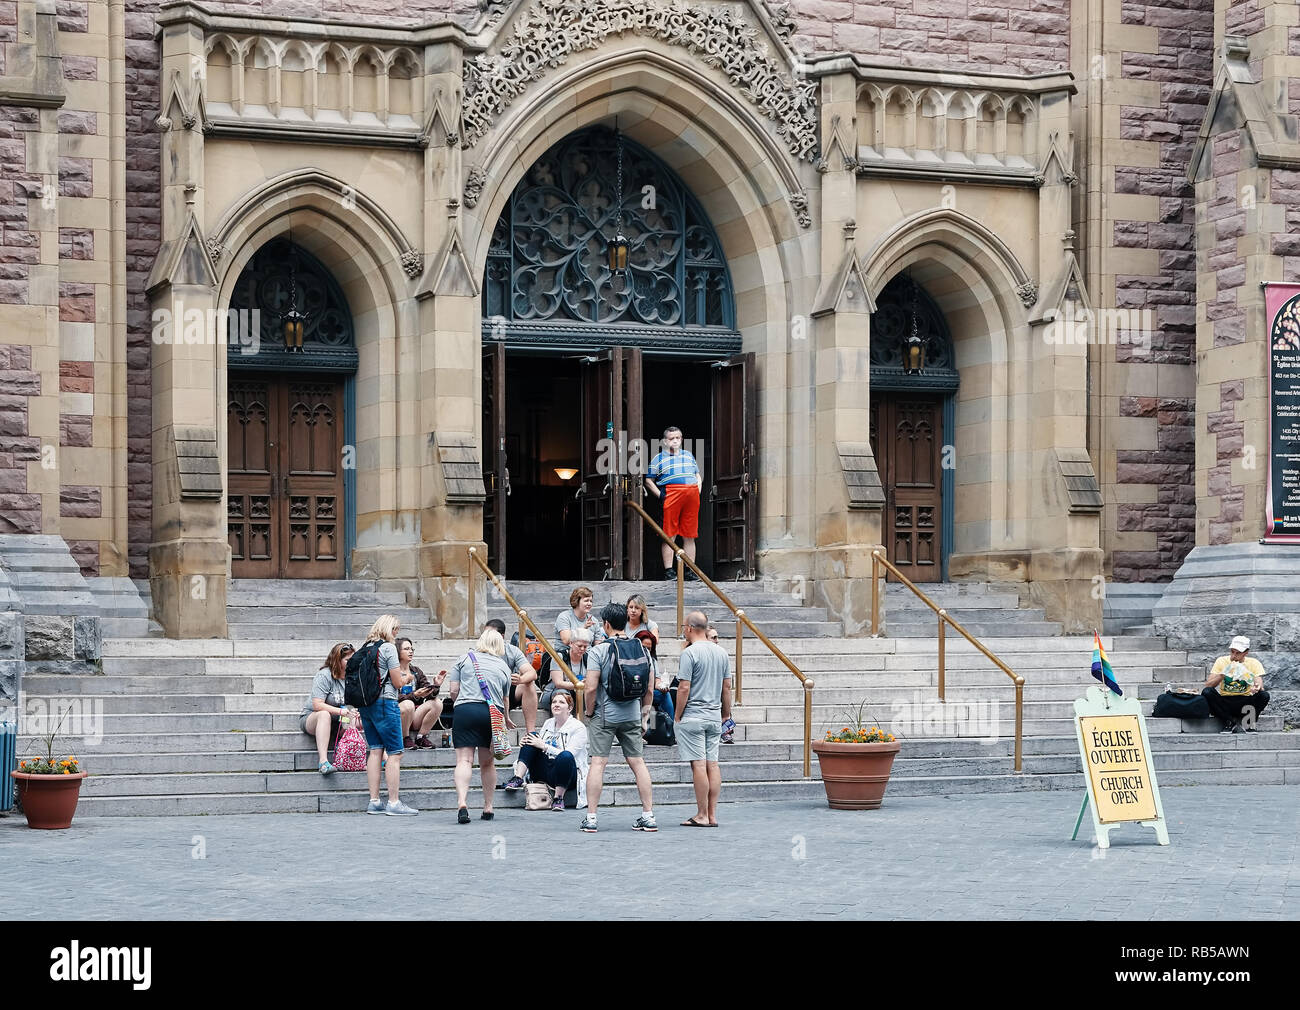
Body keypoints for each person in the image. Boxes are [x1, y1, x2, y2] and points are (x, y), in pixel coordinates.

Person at [580, 602, 657, 833]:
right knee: (638, 763)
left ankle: (591, 818)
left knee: (598, 763)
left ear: (605, 624)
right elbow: (650, 689)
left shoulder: (598, 651)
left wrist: (589, 711)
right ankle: (648, 815)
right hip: (632, 715)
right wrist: (645, 717)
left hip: (604, 715)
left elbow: (591, 687)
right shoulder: (642, 649)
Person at [447, 626, 514, 823]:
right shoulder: (504, 667)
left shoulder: (464, 659)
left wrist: (463, 700)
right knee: (487, 762)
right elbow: (505, 699)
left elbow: (453, 691)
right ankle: (488, 806)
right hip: (491, 714)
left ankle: (462, 802)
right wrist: (506, 717)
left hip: (465, 710)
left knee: (464, 760)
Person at [675, 610, 733, 827]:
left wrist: (678, 715)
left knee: (698, 766)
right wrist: (725, 713)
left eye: (683, 627)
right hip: (713, 715)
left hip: (694, 715)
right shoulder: (721, 653)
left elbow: (684, 687)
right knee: (713, 765)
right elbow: (727, 687)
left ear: (689, 628)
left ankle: (701, 814)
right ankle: (712, 814)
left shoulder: (689, 654)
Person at [358, 615, 418, 815]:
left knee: (375, 750)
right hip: (385, 702)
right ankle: (393, 802)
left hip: (366, 704)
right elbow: (397, 683)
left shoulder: (365, 647)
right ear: (388, 629)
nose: (396, 634)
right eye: (395, 630)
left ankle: (374, 800)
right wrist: (407, 677)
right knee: (395, 753)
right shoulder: (388, 648)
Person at [504, 689, 589, 809]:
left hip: (567, 773)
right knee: (531, 737)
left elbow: (571, 755)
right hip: (546, 770)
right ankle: (518, 778)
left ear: (569, 708)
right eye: (554, 702)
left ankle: (558, 798)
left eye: (561, 702)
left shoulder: (578, 727)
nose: (556, 704)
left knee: (565, 756)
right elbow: (540, 745)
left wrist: (544, 746)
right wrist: (529, 742)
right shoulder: (548, 723)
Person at [644, 425, 702, 581]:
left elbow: (697, 475)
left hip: (691, 495)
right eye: (671, 439)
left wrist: (698, 490)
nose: (675, 441)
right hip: (671, 494)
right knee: (670, 534)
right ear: (665, 441)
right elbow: (648, 480)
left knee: (689, 535)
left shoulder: (689, 455)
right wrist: (662, 496)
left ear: (681, 439)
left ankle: (690, 570)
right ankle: (669, 571)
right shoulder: (658, 458)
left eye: (678, 438)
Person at [300, 642, 356, 774]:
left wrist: (353, 712)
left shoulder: (352, 677)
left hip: (339, 721)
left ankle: (349, 756)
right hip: (313, 718)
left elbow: (352, 703)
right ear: (338, 660)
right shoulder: (325, 675)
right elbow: (317, 705)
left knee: (358, 715)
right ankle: (323, 762)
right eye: (348, 660)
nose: (352, 663)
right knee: (324, 714)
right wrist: (341, 711)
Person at [1201, 635, 1270, 733]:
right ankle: (1229, 721)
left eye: (1238, 653)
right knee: (1207, 692)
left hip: (1245, 701)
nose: (1234, 656)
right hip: (1226, 700)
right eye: (1232, 652)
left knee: (1264, 695)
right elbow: (1208, 685)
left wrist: (1256, 687)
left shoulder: (1253, 663)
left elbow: (1259, 683)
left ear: (1246, 653)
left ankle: (1248, 722)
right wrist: (1222, 675)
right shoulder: (1222, 661)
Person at [485, 618, 541, 733]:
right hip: (486, 693)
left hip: (507, 692)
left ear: (502, 636)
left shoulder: (512, 651)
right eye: (485, 634)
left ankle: (531, 732)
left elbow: (532, 673)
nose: (487, 638)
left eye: (491, 634)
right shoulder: (478, 651)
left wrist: (521, 679)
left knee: (528, 683)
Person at [394, 636, 445, 750]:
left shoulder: (416, 671)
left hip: (414, 716)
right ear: (398, 651)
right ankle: (404, 738)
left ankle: (421, 737)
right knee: (408, 704)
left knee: (437, 703)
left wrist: (436, 685)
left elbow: (428, 692)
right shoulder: (392, 672)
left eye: (412, 649)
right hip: (397, 715)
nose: (411, 651)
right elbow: (392, 697)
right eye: (406, 649)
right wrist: (414, 695)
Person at [539, 629, 588, 714]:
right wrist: (581, 685)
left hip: (578, 693)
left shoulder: (587, 658)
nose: (582, 649)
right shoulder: (559, 657)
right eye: (579, 646)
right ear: (571, 643)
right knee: (563, 694)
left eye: (585, 646)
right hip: (556, 693)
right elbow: (559, 683)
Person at [634, 627, 673, 720]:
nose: (646, 651)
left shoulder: (652, 659)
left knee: (665, 694)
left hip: (649, 691)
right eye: (644, 648)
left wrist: (661, 686)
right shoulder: (631, 660)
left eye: (649, 649)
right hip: (635, 692)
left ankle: (671, 724)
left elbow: (657, 679)